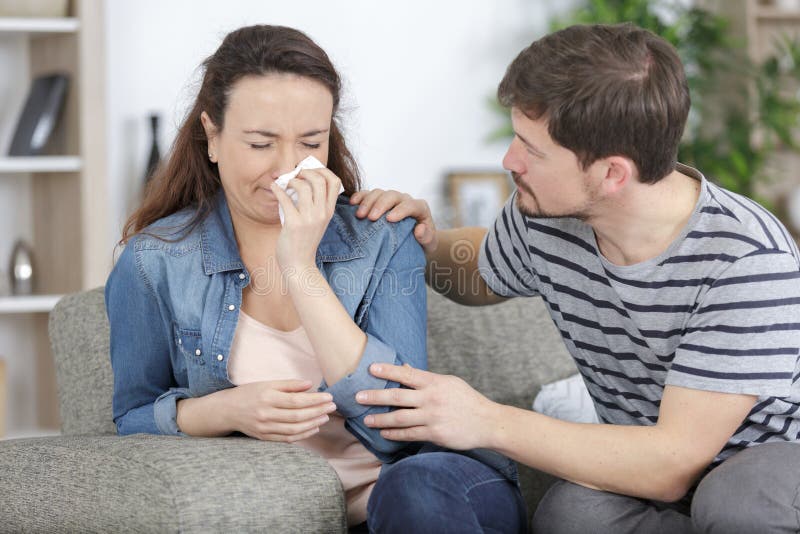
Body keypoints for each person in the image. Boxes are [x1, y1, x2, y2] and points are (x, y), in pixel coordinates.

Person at [352, 23, 800, 533]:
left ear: (612, 174)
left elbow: (671, 462)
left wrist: (485, 418)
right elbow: (479, 270)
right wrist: (424, 239)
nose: (508, 160)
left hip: (773, 470)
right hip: (658, 481)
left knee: (737, 496)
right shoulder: (547, 216)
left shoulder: (746, 260)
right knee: (572, 513)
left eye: (531, 149)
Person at [105, 24, 526, 532]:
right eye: (261, 143)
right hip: (278, 507)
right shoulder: (154, 261)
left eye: (310, 141)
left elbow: (396, 428)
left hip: (416, 489)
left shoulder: (382, 237)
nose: (287, 168)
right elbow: (132, 416)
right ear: (211, 137)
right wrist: (226, 410)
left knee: (412, 493)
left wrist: (300, 266)